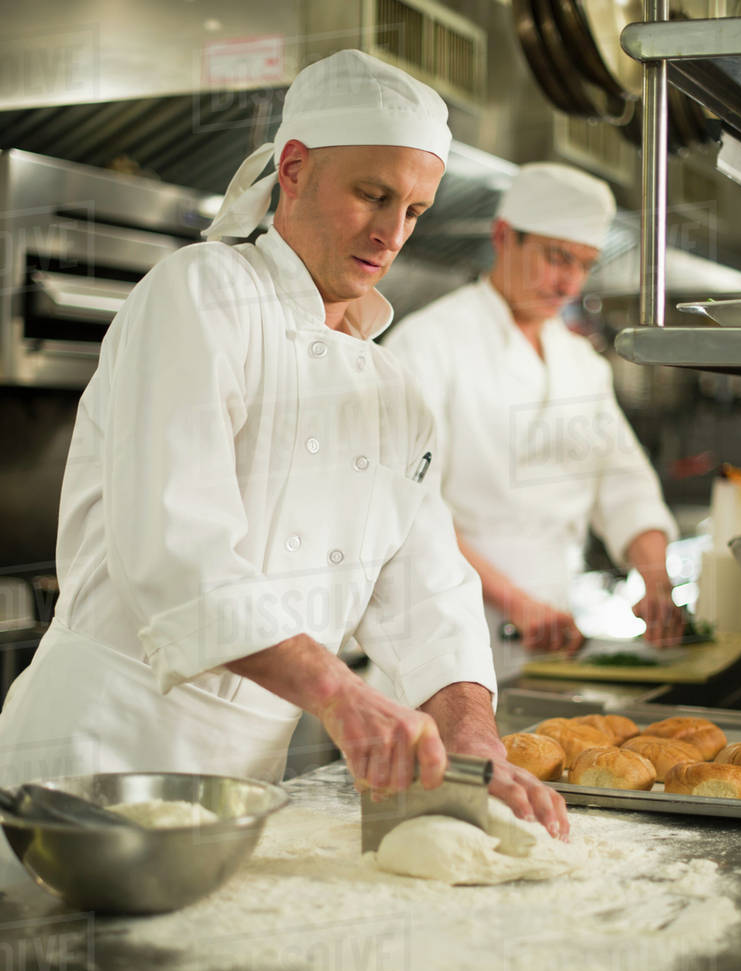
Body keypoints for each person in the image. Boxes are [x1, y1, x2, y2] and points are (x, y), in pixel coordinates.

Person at [0, 52, 567, 838]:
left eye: (414, 210)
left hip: (244, 786)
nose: (391, 234)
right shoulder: (201, 293)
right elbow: (175, 550)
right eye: (373, 195)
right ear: (294, 170)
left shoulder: (391, 388)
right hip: (99, 752)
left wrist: (472, 734)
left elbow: (429, 592)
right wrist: (341, 695)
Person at [386, 162, 682, 657]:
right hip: (444, 631)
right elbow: (410, 507)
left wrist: (656, 580)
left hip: (553, 631)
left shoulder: (581, 363)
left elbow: (624, 482)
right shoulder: (428, 344)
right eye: (557, 257)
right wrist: (516, 604)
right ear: (504, 236)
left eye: (584, 265)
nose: (570, 284)